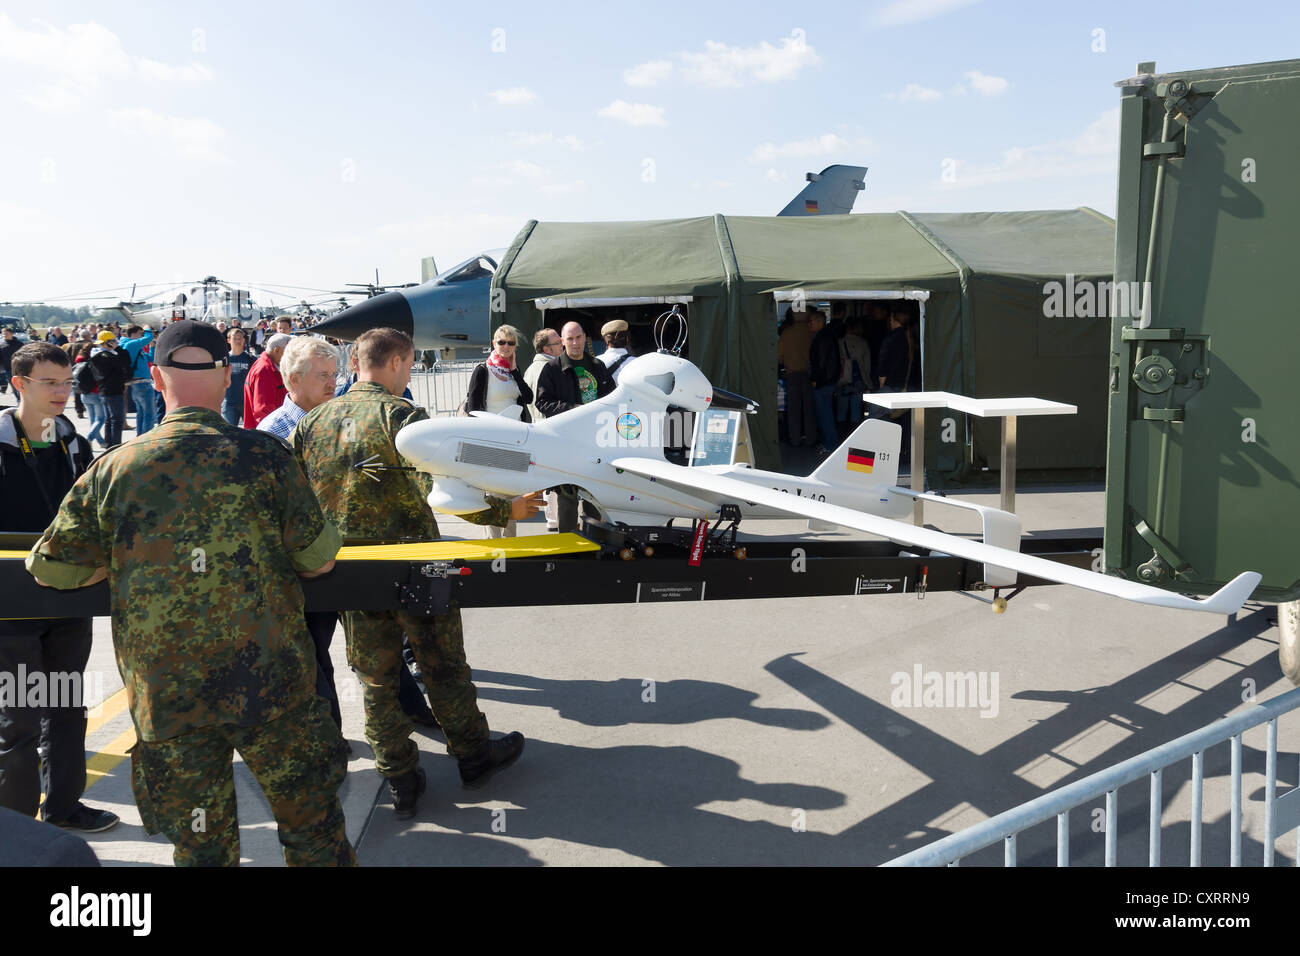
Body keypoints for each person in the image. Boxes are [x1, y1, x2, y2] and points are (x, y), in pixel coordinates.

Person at [25, 320, 354, 867]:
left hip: (171, 698)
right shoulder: (266, 458)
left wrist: (114, 565)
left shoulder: (114, 469)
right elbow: (318, 562)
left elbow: (51, 569)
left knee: (202, 848)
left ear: (154, 378)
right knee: (314, 833)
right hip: (272, 686)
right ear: (227, 377)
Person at [292, 327, 537, 818]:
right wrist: (507, 511)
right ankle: (472, 755)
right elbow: (441, 489)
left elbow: (298, 506)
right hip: (416, 566)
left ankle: (399, 775)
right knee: (441, 665)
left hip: (350, 574)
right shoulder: (401, 417)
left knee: (376, 678)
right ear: (400, 362)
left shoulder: (312, 422)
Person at [0, 343, 119, 834]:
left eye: (67, 382)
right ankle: (17, 827)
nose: (63, 392)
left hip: (69, 596)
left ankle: (64, 807)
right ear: (18, 384)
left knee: (67, 706)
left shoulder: (72, 441)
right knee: (19, 718)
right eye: (50, 383)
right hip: (11, 603)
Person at [535, 320, 615, 532]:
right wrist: (573, 409)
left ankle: (592, 542)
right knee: (567, 498)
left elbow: (614, 401)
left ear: (584, 338)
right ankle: (568, 546)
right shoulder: (552, 369)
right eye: (570, 338)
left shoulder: (598, 366)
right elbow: (542, 403)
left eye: (578, 337)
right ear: (562, 342)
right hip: (566, 443)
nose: (575, 343)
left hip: (595, 443)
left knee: (594, 497)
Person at [523, 327, 563, 531]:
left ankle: (552, 520)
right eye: (558, 343)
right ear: (546, 348)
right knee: (556, 479)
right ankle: (554, 522)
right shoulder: (548, 369)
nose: (563, 344)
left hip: (538, 428)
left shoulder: (532, 368)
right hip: (549, 430)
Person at [778, 308, 815, 447]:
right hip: (809, 375)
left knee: (793, 410)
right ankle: (811, 438)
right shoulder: (811, 331)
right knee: (809, 409)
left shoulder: (787, 333)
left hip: (792, 374)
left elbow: (779, 356)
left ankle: (795, 439)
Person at [807, 309, 842, 454]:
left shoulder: (822, 337)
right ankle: (829, 444)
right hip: (828, 380)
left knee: (825, 415)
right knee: (825, 413)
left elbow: (820, 362)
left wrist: (815, 379)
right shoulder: (827, 335)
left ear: (820, 322)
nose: (809, 324)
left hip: (823, 381)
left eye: (811, 322)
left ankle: (831, 446)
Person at [88, 330, 131, 448]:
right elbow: (124, 362)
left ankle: (109, 443)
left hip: (105, 390)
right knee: (117, 419)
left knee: (109, 419)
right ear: (107, 343)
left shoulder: (98, 355)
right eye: (113, 341)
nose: (116, 343)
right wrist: (117, 349)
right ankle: (115, 445)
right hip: (112, 390)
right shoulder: (105, 356)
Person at [243, 332, 290, 429]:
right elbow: (263, 409)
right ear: (277, 350)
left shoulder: (266, 366)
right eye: (289, 352)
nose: (291, 356)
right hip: (269, 431)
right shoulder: (265, 370)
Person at [119, 324, 157, 436]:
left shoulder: (132, 347)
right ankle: (146, 439)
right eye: (141, 334)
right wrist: (147, 328)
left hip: (138, 385)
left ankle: (140, 436)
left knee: (141, 413)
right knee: (150, 414)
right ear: (134, 334)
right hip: (142, 384)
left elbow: (151, 358)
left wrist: (152, 346)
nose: (142, 336)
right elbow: (148, 337)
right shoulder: (131, 345)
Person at [222, 327, 254, 425]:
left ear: (244, 340)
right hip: (229, 402)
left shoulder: (250, 359)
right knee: (229, 434)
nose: (238, 341)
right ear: (228, 340)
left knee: (250, 433)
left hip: (247, 402)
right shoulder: (224, 359)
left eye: (240, 338)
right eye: (234, 338)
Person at [0, 326, 22, 397]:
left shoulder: (19, 344)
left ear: (11, 333)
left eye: (6, 333)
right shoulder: (1, 345)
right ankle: (19, 401)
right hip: (8, 369)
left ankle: (22, 400)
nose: (4, 335)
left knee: (21, 385)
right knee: (14, 386)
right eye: (3, 333)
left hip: (20, 368)